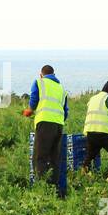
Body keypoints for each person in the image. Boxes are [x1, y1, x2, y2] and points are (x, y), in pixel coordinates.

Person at [23, 65, 68, 196]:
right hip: (59, 124)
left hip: (44, 122)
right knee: (54, 158)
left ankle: (42, 191)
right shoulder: (61, 88)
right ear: (54, 74)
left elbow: (34, 99)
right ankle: (55, 190)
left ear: (41, 74)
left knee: (40, 157)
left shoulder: (39, 82)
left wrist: (29, 111)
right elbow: (65, 111)